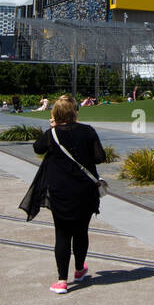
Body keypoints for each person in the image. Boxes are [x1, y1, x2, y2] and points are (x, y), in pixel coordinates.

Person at [36, 96, 107, 294]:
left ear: (56, 115)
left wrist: (52, 127)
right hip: (85, 191)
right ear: (74, 112)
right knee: (81, 231)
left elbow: (37, 147)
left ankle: (61, 280)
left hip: (60, 192)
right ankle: (79, 269)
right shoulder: (88, 131)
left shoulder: (52, 134)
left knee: (62, 233)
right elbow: (100, 157)